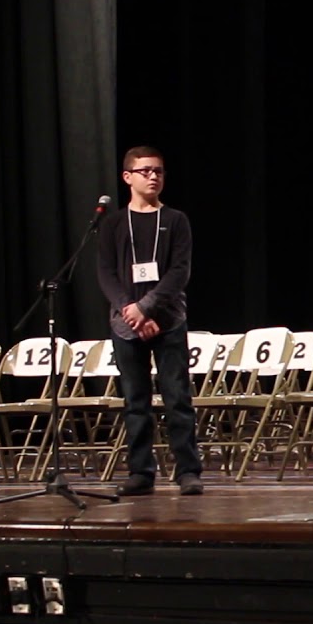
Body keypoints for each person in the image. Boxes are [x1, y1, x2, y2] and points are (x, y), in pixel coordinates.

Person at [97, 146, 204, 496]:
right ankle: (141, 471)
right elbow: (106, 273)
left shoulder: (175, 220)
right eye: (145, 171)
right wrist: (131, 310)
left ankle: (188, 470)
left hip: (168, 321)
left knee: (177, 397)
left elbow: (179, 272)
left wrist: (148, 309)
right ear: (128, 177)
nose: (154, 176)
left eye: (158, 170)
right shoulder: (113, 222)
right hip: (125, 325)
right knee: (135, 401)